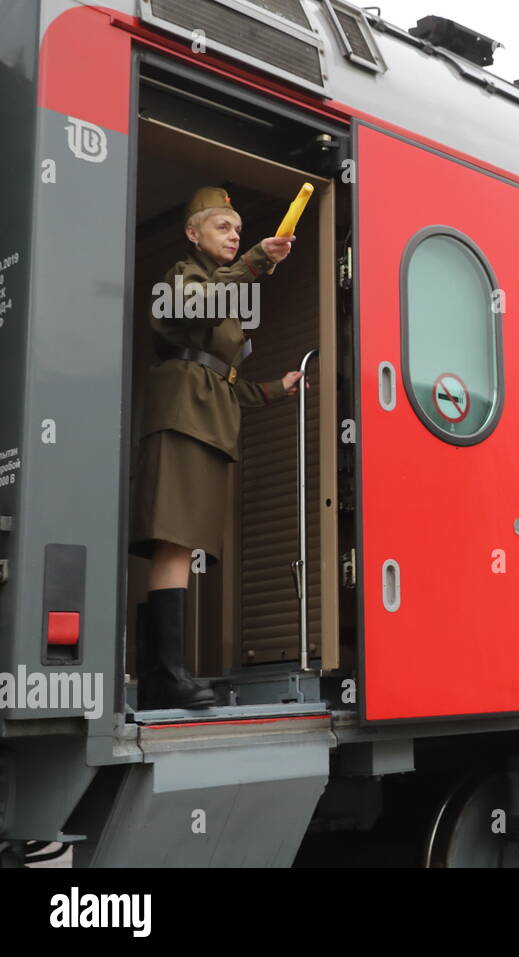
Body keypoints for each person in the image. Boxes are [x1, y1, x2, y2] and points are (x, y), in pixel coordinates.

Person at [128, 186, 305, 710]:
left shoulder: (224, 290)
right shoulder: (180, 279)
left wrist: (276, 389)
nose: (235, 236)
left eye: (239, 230)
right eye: (223, 227)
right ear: (193, 233)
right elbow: (195, 306)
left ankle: (167, 671)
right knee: (174, 542)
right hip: (182, 419)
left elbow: (224, 380)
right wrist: (256, 261)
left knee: (183, 544)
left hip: (207, 420)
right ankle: (165, 674)